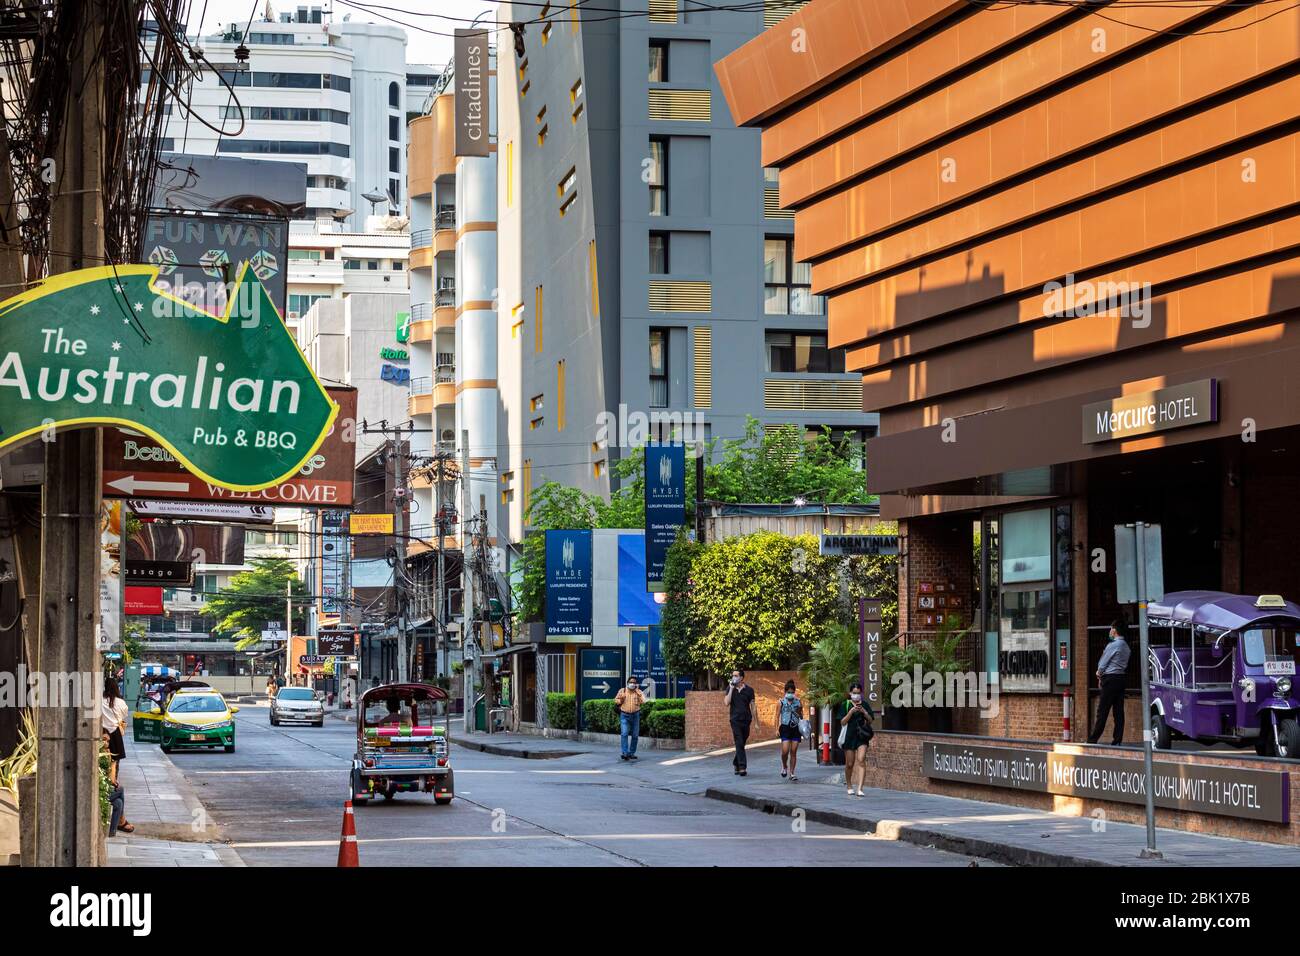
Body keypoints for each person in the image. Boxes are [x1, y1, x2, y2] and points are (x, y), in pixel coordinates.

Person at [1088, 619, 1131, 745]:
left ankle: (1093, 739)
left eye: (1111, 628)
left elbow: (1102, 664)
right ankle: (1117, 740)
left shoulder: (1113, 645)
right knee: (1118, 712)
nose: (1109, 631)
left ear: (1115, 630)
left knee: (1102, 711)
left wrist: (1099, 673)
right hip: (1121, 679)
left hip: (1110, 679)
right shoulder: (1126, 647)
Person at [840, 681, 875, 797]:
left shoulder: (864, 704)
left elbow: (870, 720)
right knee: (849, 763)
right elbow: (842, 722)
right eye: (854, 693)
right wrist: (850, 712)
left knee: (861, 759)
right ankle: (849, 785)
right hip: (849, 736)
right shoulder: (845, 704)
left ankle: (860, 788)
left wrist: (864, 712)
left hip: (862, 736)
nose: (856, 695)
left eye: (858, 693)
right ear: (850, 693)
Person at [724, 668, 756, 776]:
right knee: (739, 741)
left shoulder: (749, 690)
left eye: (736, 675)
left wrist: (756, 722)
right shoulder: (729, 688)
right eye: (733, 675)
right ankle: (742, 767)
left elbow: (753, 706)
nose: (734, 677)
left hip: (747, 720)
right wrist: (732, 689)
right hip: (735, 720)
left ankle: (735, 762)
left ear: (741, 678)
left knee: (742, 742)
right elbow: (726, 703)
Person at [777, 679, 804, 781]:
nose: (790, 694)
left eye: (792, 692)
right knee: (785, 751)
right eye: (788, 692)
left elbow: (801, 716)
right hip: (785, 727)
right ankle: (784, 766)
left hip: (795, 728)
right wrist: (776, 729)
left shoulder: (798, 702)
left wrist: (799, 710)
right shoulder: (781, 702)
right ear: (785, 692)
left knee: (793, 751)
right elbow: (776, 716)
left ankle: (792, 773)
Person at [614, 675, 646, 761]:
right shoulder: (622, 691)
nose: (632, 684)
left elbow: (644, 701)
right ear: (628, 683)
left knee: (635, 735)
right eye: (631, 682)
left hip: (635, 715)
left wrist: (639, 694)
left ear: (636, 684)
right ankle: (625, 753)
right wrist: (621, 699)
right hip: (624, 715)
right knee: (624, 733)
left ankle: (631, 753)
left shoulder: (639, 692)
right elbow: (616, 700)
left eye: (634, 683)